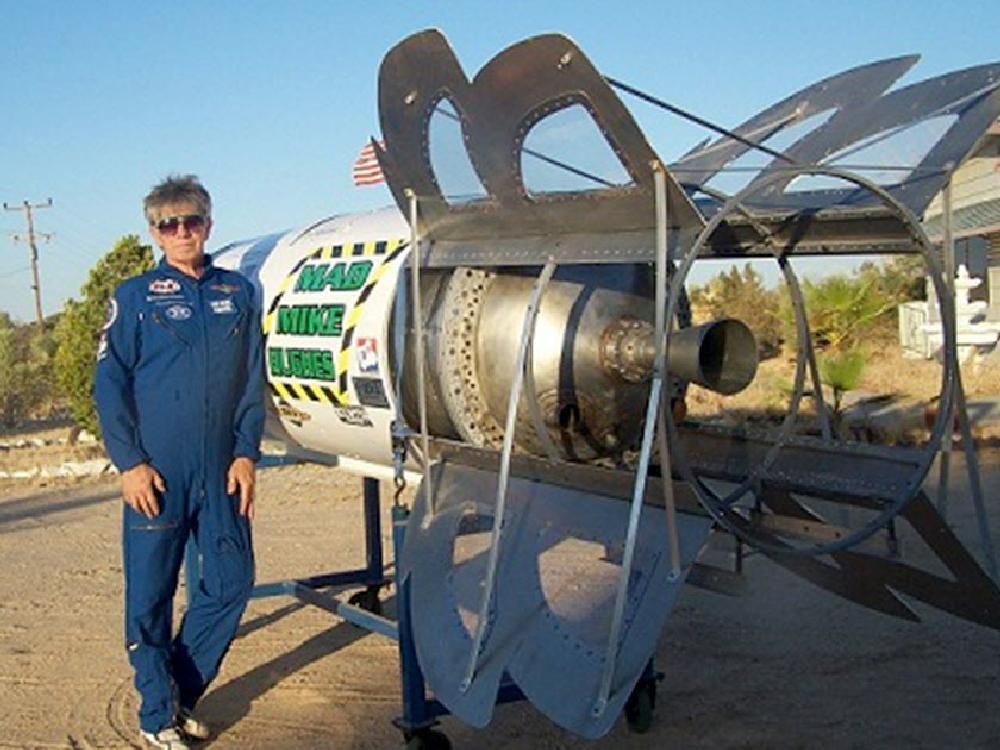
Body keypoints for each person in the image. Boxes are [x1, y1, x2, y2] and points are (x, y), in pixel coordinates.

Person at [94, 175, 264, 749]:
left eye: (191, 221)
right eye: (169, 224)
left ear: (208, 225)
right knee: (151, 597)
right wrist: (129, 463)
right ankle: (156, 717)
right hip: (157, 474)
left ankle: (176, 694)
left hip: (221, 472)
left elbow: (250, 385)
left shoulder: (237, 293)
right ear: (155, 234)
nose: (182, 232)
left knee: (231, 583)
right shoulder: (136, 297)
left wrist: (245, 455)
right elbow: (110, 384)